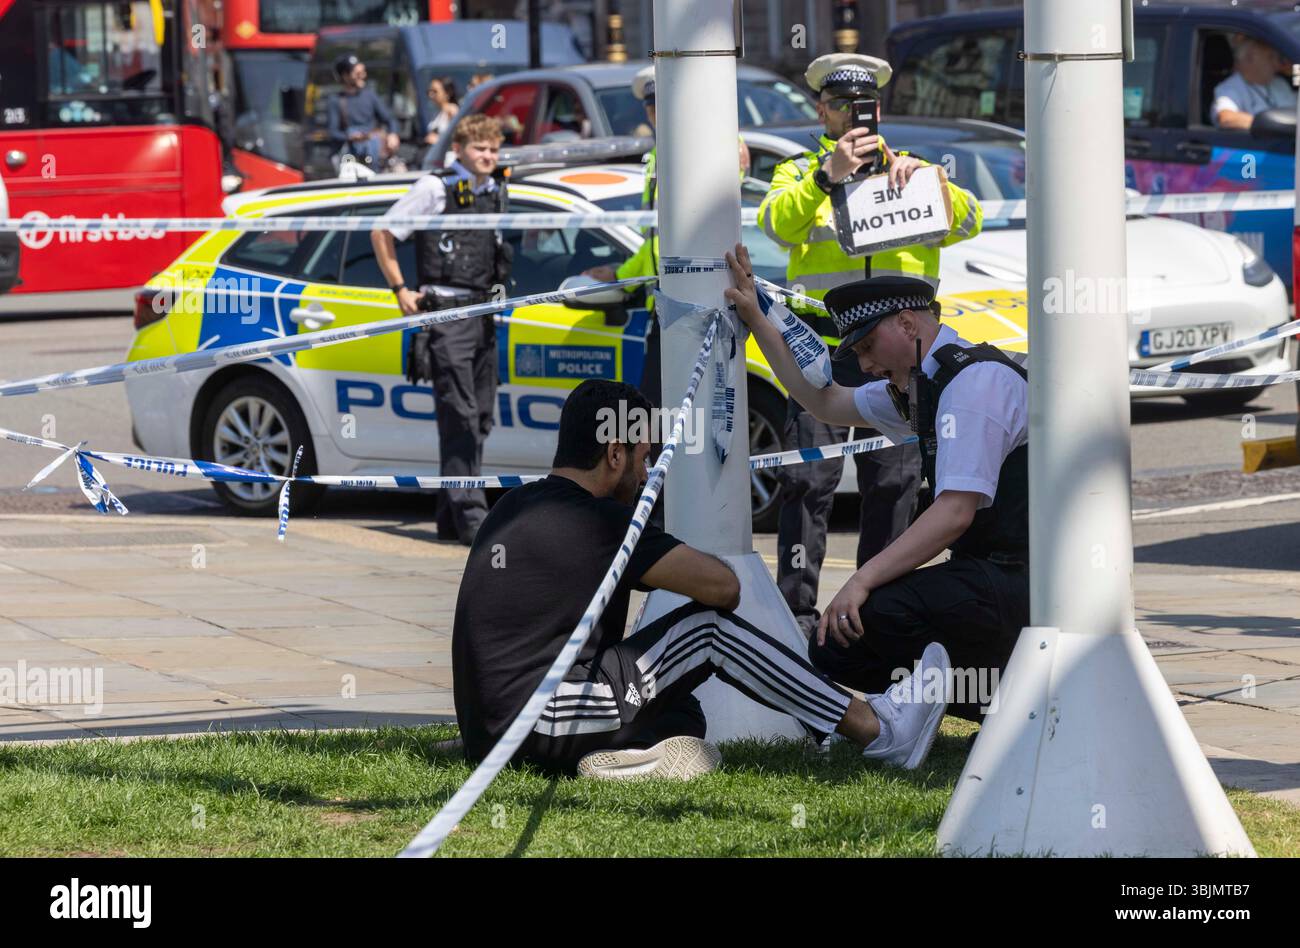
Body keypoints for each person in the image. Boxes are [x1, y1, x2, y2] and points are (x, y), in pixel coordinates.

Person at [451, 378, 952, 778]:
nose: (647, 475)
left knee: (682, 715)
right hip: (545, 719)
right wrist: (655, 538)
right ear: (615, 455)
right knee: (707, 630)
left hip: (492, 732)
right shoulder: (602, 522)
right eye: (645, 458)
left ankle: (621, 766)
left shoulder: (510, 506)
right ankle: (878, 729)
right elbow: (722, 588)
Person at [725, 248, 1028, 722]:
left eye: (867, 348)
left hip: (1026, 577)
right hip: (992, 576)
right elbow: (825, 401)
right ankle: (1002, 704)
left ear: (907, 325)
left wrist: (861, 580)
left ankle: (1010, 701)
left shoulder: (972, 384)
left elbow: (954, 513)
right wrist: (759, 317)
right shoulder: (925, 383)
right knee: (835, 648)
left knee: (879, 613)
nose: (864, 366)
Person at [757, 53, 983, 638]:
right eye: (839, 105)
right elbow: (776, 223)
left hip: (901, 347)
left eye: (863, 106)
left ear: (877, 109)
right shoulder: (800, 171)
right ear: (822, 110)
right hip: (826, 343)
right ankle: (797, 618)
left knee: (895, 482)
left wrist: (930, 182)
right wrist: (824, 177)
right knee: (808, 480)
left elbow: (971, 219)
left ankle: (875, 612)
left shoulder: (913, 169)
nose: (853, 116)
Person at [371, 115, 513, 546]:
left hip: (483, 312)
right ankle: (470, 515)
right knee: (460, 415)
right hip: (447, 313)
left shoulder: (495, 191)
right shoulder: (435, 188)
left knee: (481, 416)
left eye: (493, 149)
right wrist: (400, 289)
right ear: (460, 150)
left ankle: (449, 517)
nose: (488, 156)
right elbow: (382, 232)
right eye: (479, 149)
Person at [583, 66, 750, 407]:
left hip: (703, 299)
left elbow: (732, 169)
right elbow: (654, 244)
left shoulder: (708, 146)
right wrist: (620, 275)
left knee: (686, 411)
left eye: (667, 103)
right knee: (658, 410)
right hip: (664, 304)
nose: (658, 113)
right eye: (652, 107)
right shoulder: (657, 158)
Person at [328, 54, 401, 169]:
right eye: (357, 74)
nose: (363, 76)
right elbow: (333, 132)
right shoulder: (336, 100)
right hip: (351, 156)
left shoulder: (370, 95)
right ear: (345, 76)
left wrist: (393, 134)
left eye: (363, 72)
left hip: (373, 150)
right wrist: (351, 137)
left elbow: (389, 119)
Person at [1211, 36, 1297, 130]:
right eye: (1270, 57)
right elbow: (1226, 118)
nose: (1276, 64)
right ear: (1250, 58)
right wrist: (1271, 125)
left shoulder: (1279, 84)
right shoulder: (1231, 88)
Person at [424, 76, 460, 146]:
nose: (431, 95)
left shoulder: (452, 110)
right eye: (429, 91)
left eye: (435, 91)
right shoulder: (436, 112)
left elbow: (458, 138)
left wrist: (438, 141)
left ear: (447, 93)